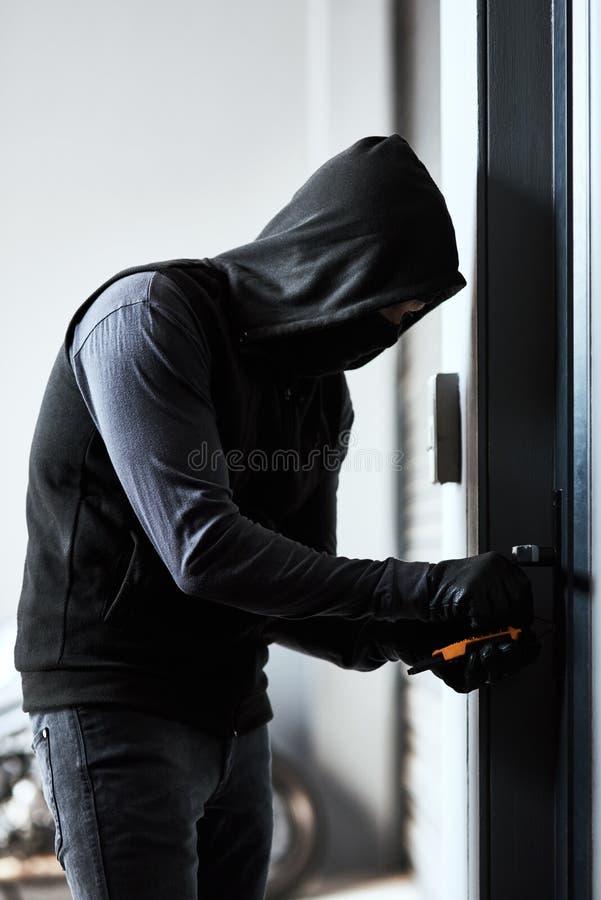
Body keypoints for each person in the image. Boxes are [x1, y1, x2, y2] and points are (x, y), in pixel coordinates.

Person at [14, 134, 540, 900]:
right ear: (328, 263)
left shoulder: (321, 394)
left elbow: (301, 589)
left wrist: (418, 640)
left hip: (235, 715)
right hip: (116, 713)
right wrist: (423, 588)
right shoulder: (147, 321)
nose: (390, 330)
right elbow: (206, 551)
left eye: (407, 316)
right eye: (386, 303)